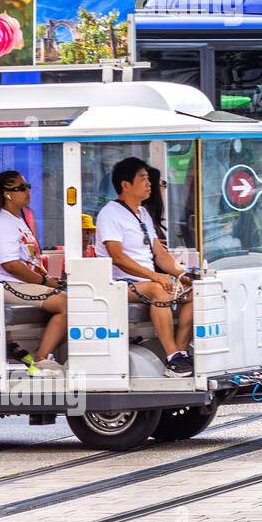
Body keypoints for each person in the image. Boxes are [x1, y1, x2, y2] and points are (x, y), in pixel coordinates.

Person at [94, 157, 194, 375]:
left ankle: (181, 351)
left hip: (145, 281)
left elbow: (159, 254)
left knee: (194, 292)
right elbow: (117, 257)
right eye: (143, 179)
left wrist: (184, 273)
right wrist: (155, 277)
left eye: (149, 179)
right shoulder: (109, 214)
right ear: (125, 185)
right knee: (159, 289)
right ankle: (171, 356)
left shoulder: (143, 213)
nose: (149, 184)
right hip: (118, 283)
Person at [0, 170, 67, 372]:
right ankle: (41, 359)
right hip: (8, 284)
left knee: (77, 297)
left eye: (27, 186)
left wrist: (47, 279)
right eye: (21, 188)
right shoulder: (1, 223)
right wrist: (44, 282)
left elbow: (28, 260)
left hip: (27, 283)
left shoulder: (18, 220)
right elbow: (11, 264)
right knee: (66, 303)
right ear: (7, 194)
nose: (27, 191)